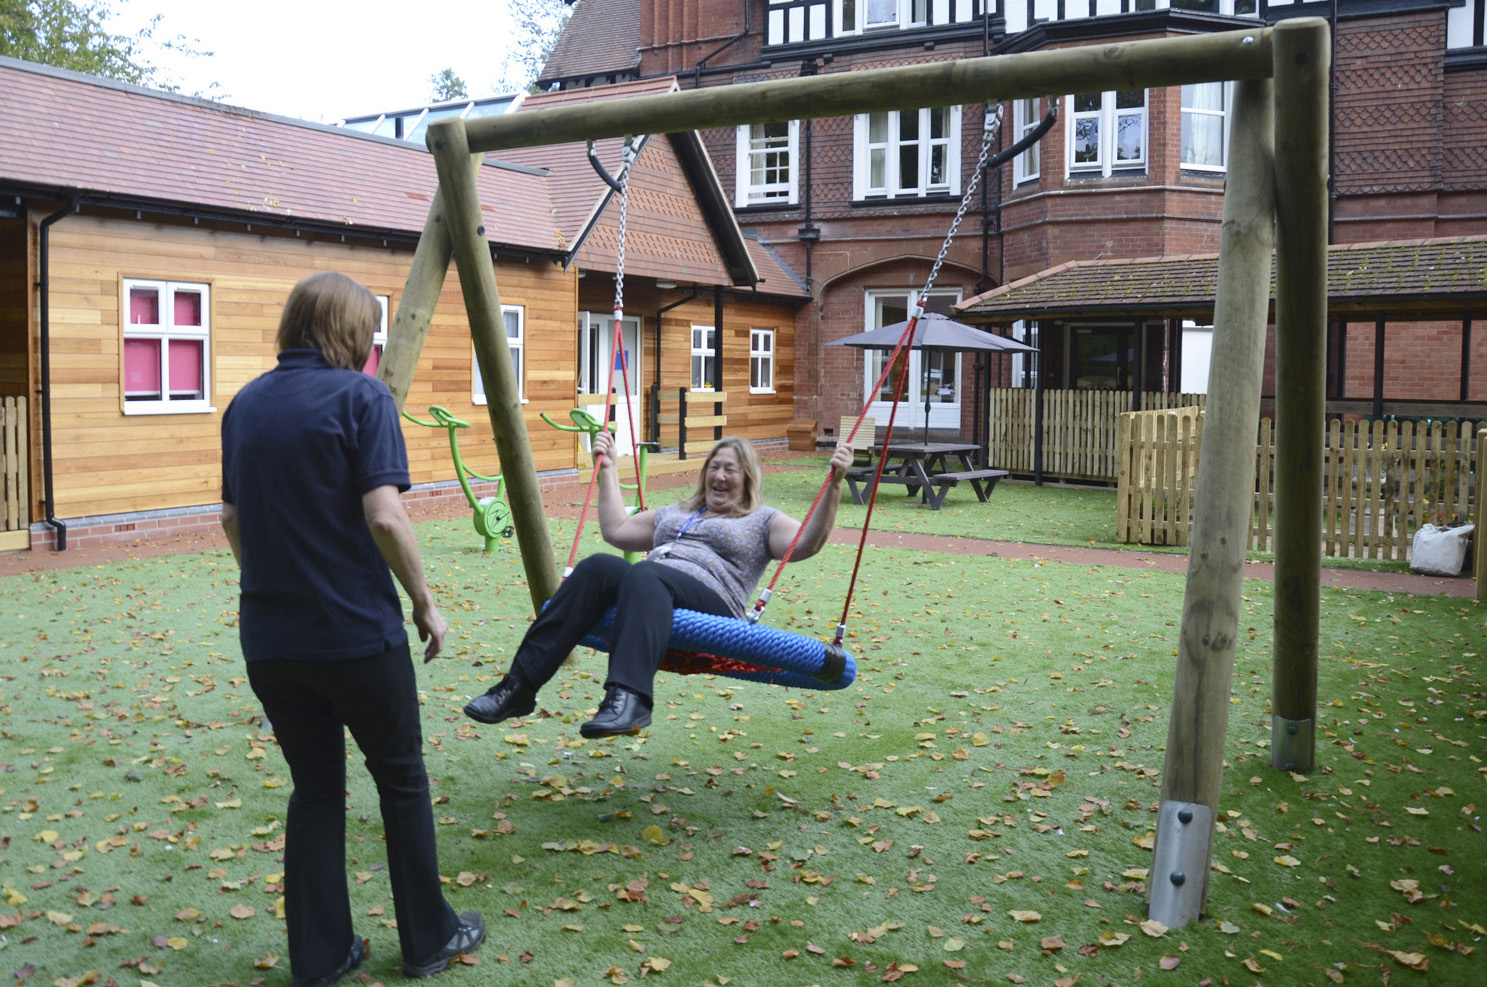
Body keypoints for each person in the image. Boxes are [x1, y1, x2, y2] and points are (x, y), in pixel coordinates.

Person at [220, 272, 484, 987]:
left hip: (270, 641)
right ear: (349, 331)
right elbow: (385, 514)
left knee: (314, 792)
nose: (372, 342)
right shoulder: (360, 396)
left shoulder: (243, 405)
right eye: (369, 329)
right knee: (400, 780)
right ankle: (430, 939)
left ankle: (321, 955)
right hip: (355, 635)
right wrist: (425, 601)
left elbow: (233, 521)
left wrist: (276, 582)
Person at [463, 429, 854, 737]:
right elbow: (616, 530)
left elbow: (806, 543)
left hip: (713, 603)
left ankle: (629, 698)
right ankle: (517, 688)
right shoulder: (677, 512)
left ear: (747, 478)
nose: (719, 475)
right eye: (714, 467)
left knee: (646, 572)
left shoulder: (762, 519)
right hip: (651, 591)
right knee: (599, 565)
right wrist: (609, 470)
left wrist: (834, 484)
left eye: (730, 469)